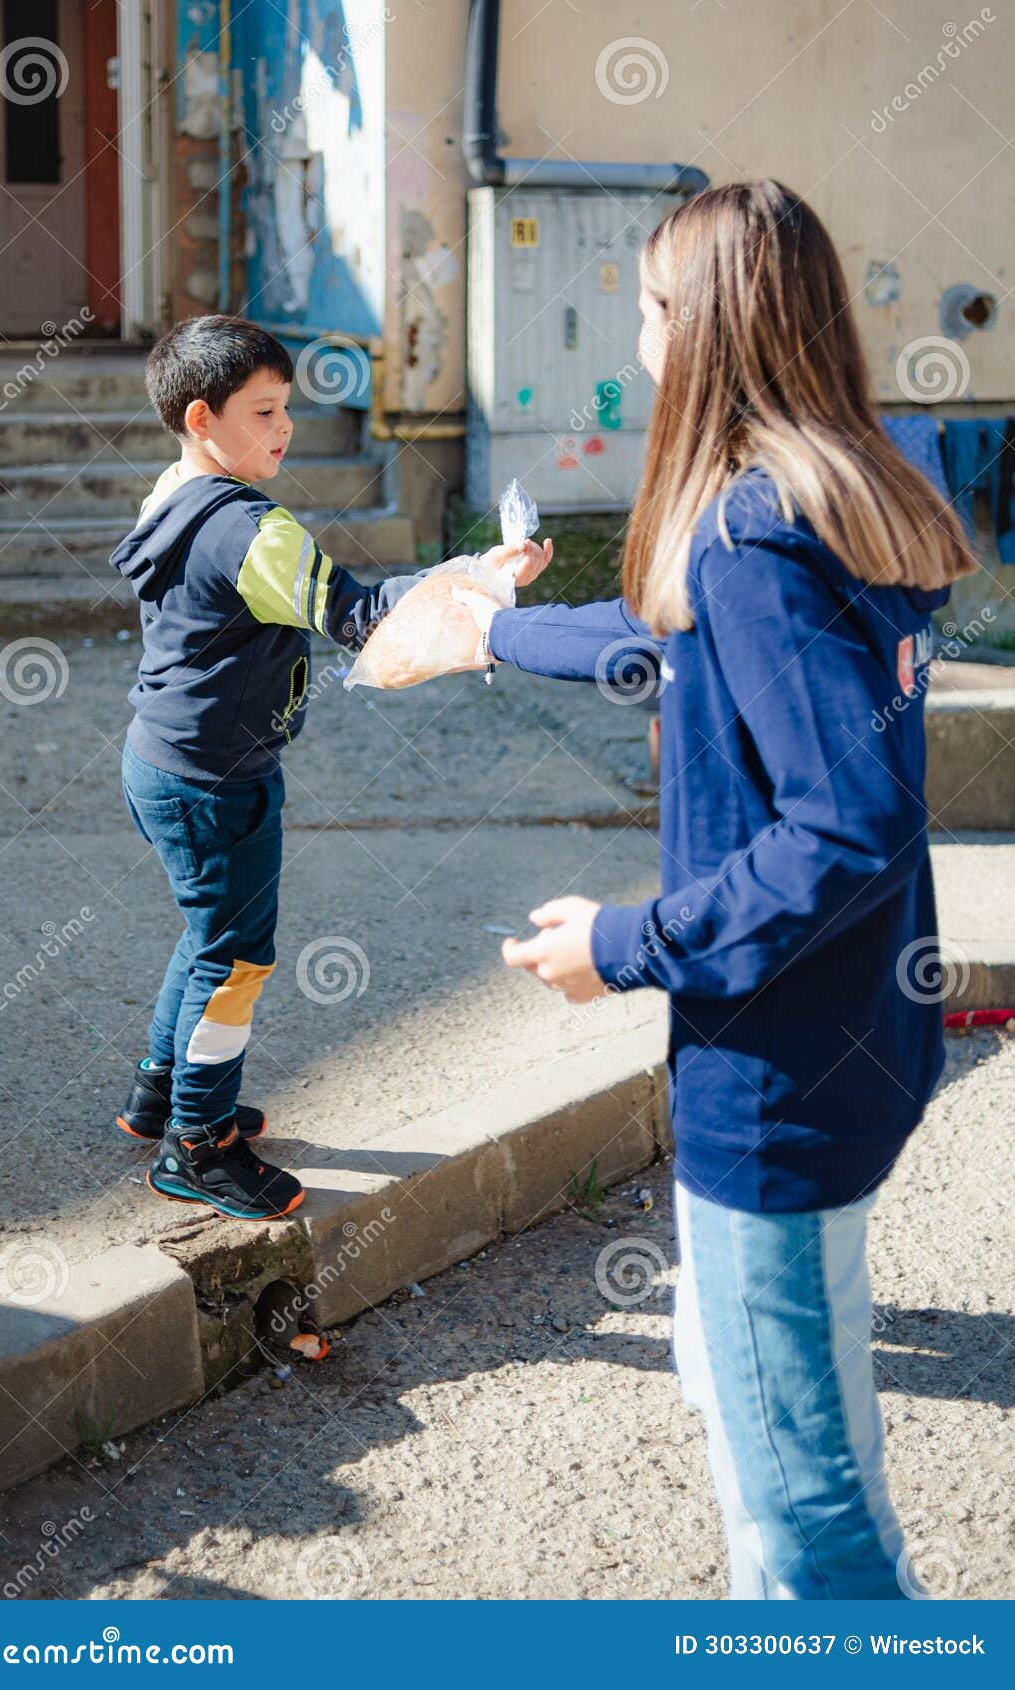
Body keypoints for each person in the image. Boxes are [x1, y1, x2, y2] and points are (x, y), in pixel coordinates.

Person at [455, 180, 976, 1598]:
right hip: (857, 1044)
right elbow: (655, 627)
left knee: (807, 1531)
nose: (636, 330)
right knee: (780, 1456)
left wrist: (626, 940)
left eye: (649, 306)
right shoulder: (842, 498)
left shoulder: (750, 534)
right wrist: (488, 626)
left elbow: (848, 823)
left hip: (778, 1080)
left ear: (706, 327)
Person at [111, 314, 549, 1221]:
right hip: (218, 779)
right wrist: (484, 581)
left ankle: (163, 1095)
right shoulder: (256, 534)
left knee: (208, 936)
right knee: (236, 959)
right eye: (264, 410)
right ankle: (197, 1143)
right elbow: (359, 619)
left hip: (162, 757)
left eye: (286, 409)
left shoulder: (171, 493)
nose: (285, 428)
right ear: (202, 418)